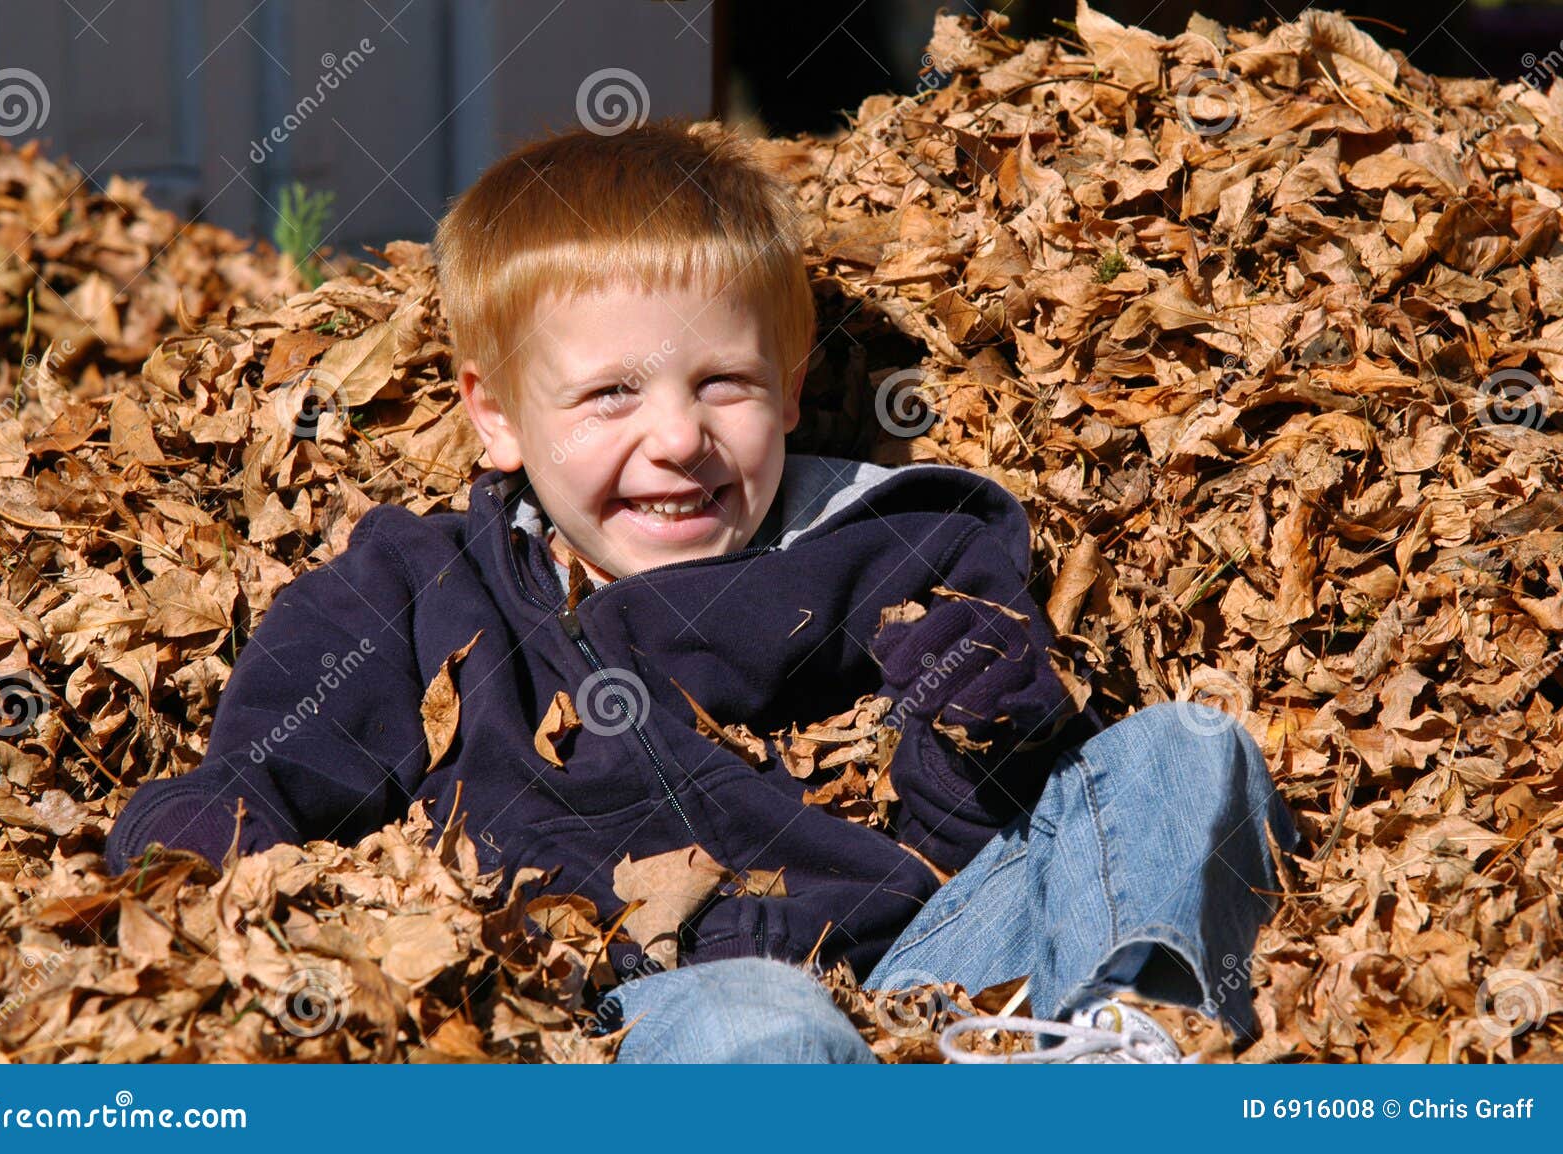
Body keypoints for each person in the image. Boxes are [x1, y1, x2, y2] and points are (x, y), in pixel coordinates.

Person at [104, 118, 1298, 1062]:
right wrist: (197, 837)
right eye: (610, 395)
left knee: (1184, 746)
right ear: (498, 415)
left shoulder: (894, 541)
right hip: (642, 1004)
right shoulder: (424, 587)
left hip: (933, 964)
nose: (677, 438)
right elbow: (267, 773)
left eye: (723, 382)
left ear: (788, 388)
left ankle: (1114, 1045)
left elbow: (984, 830)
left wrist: (983, 727)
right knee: (754, 1023)